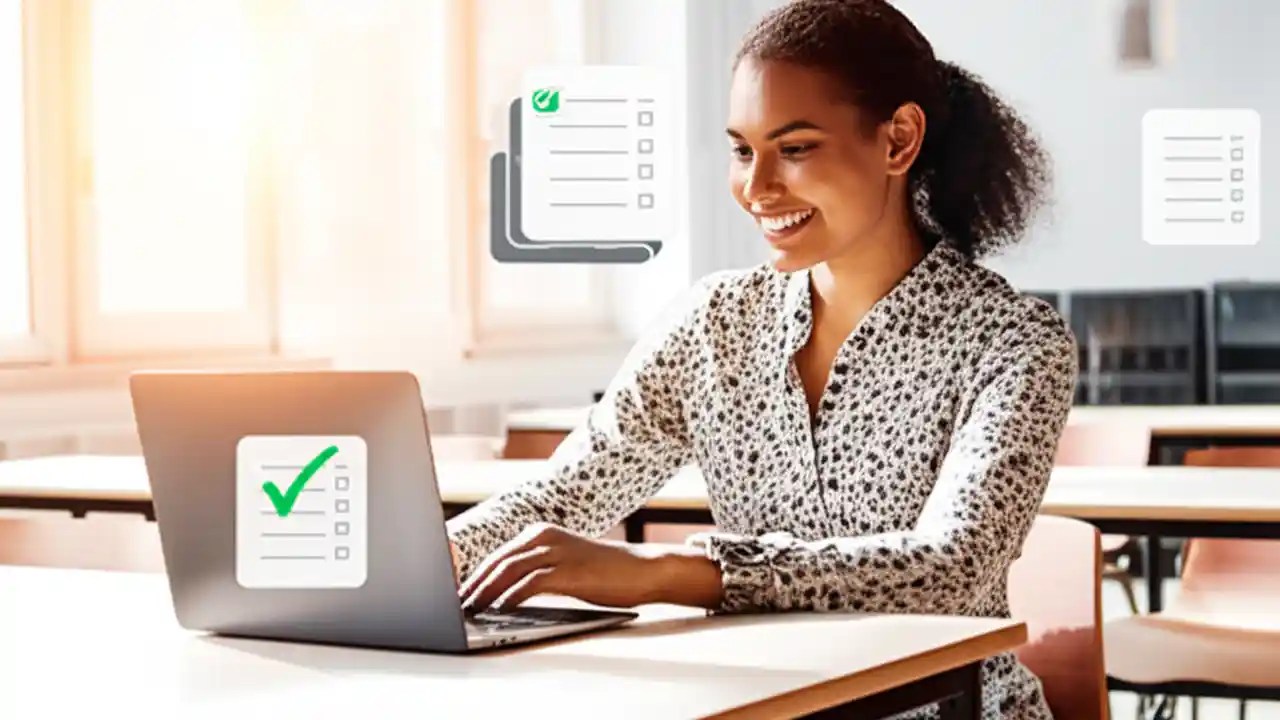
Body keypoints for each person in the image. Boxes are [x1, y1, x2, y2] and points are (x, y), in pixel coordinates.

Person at [448, 0, 1077, 716]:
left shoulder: (1014, 341)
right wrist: (419, 565)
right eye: (743, 150)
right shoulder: (714, 324)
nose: (756, 187)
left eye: (796, 148)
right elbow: (561, 498)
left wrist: (673, 572)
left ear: (899, 140)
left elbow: (950, 566)